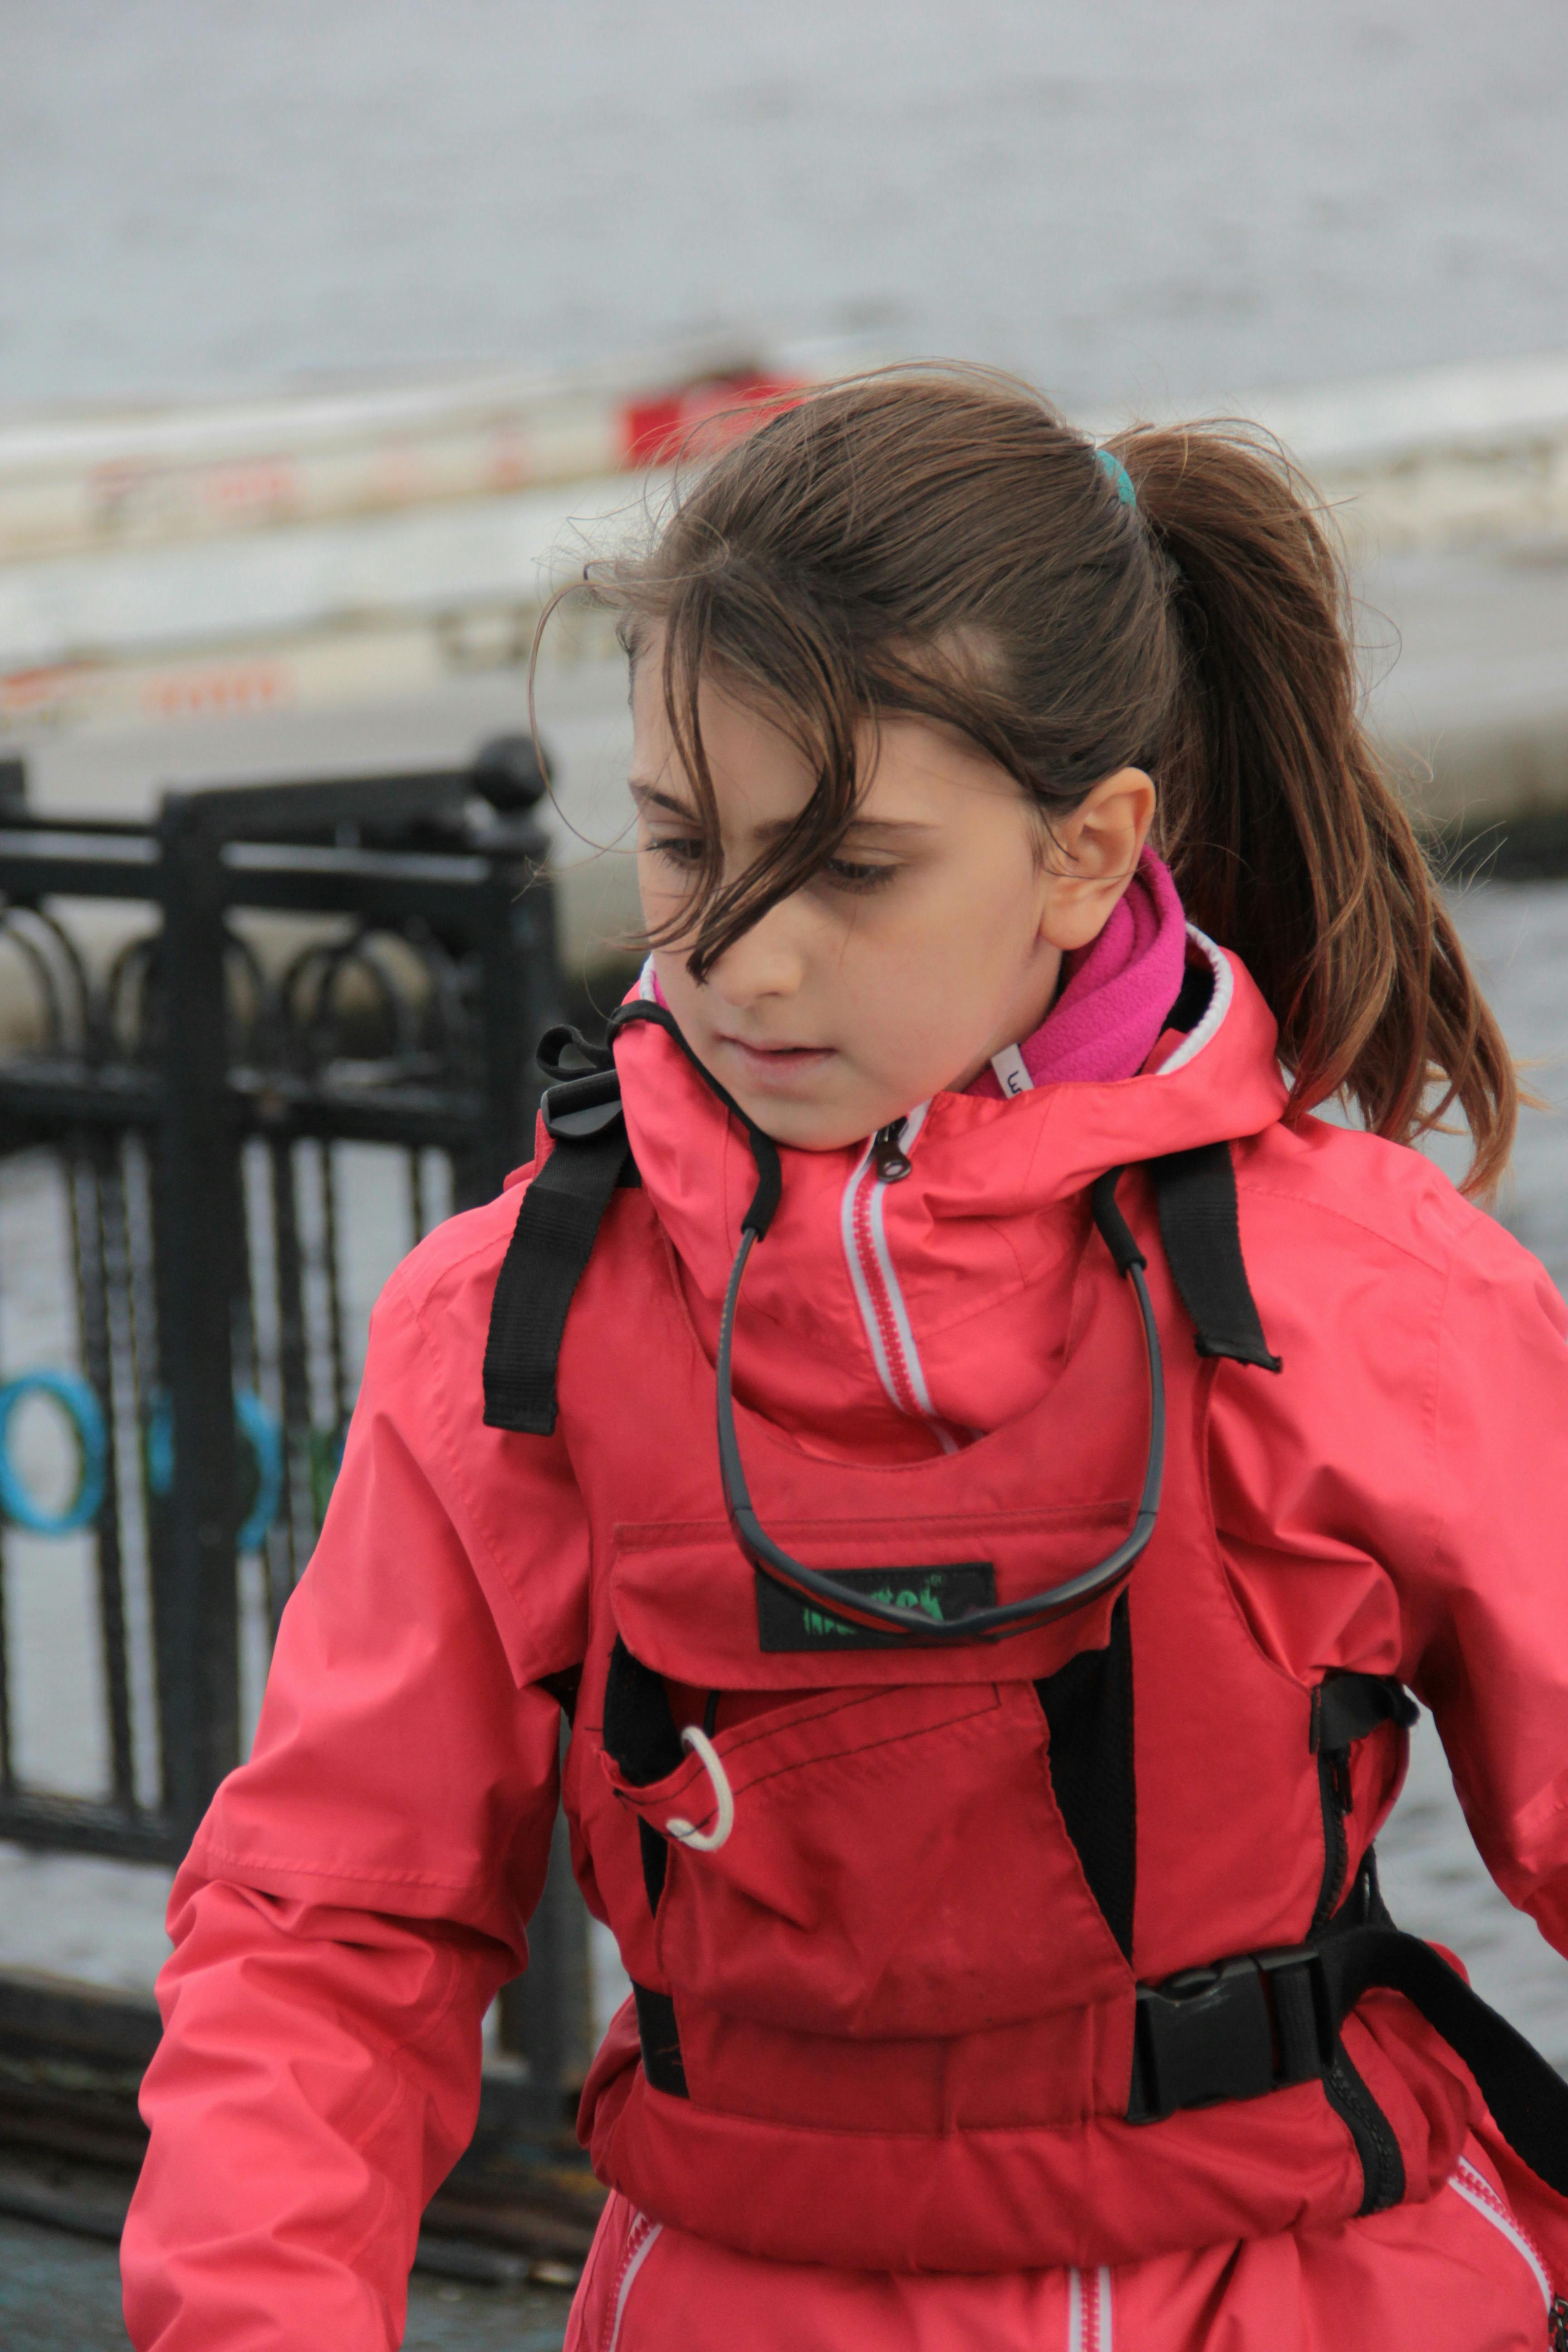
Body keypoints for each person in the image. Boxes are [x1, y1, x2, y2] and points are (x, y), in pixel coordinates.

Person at [122, 371, 1568, 2352]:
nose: (743, 956)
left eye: (857, 867)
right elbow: (330, 1929)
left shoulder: (1371, 1293)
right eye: (678, 841)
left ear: (1090, 850)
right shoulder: (506, 1332)